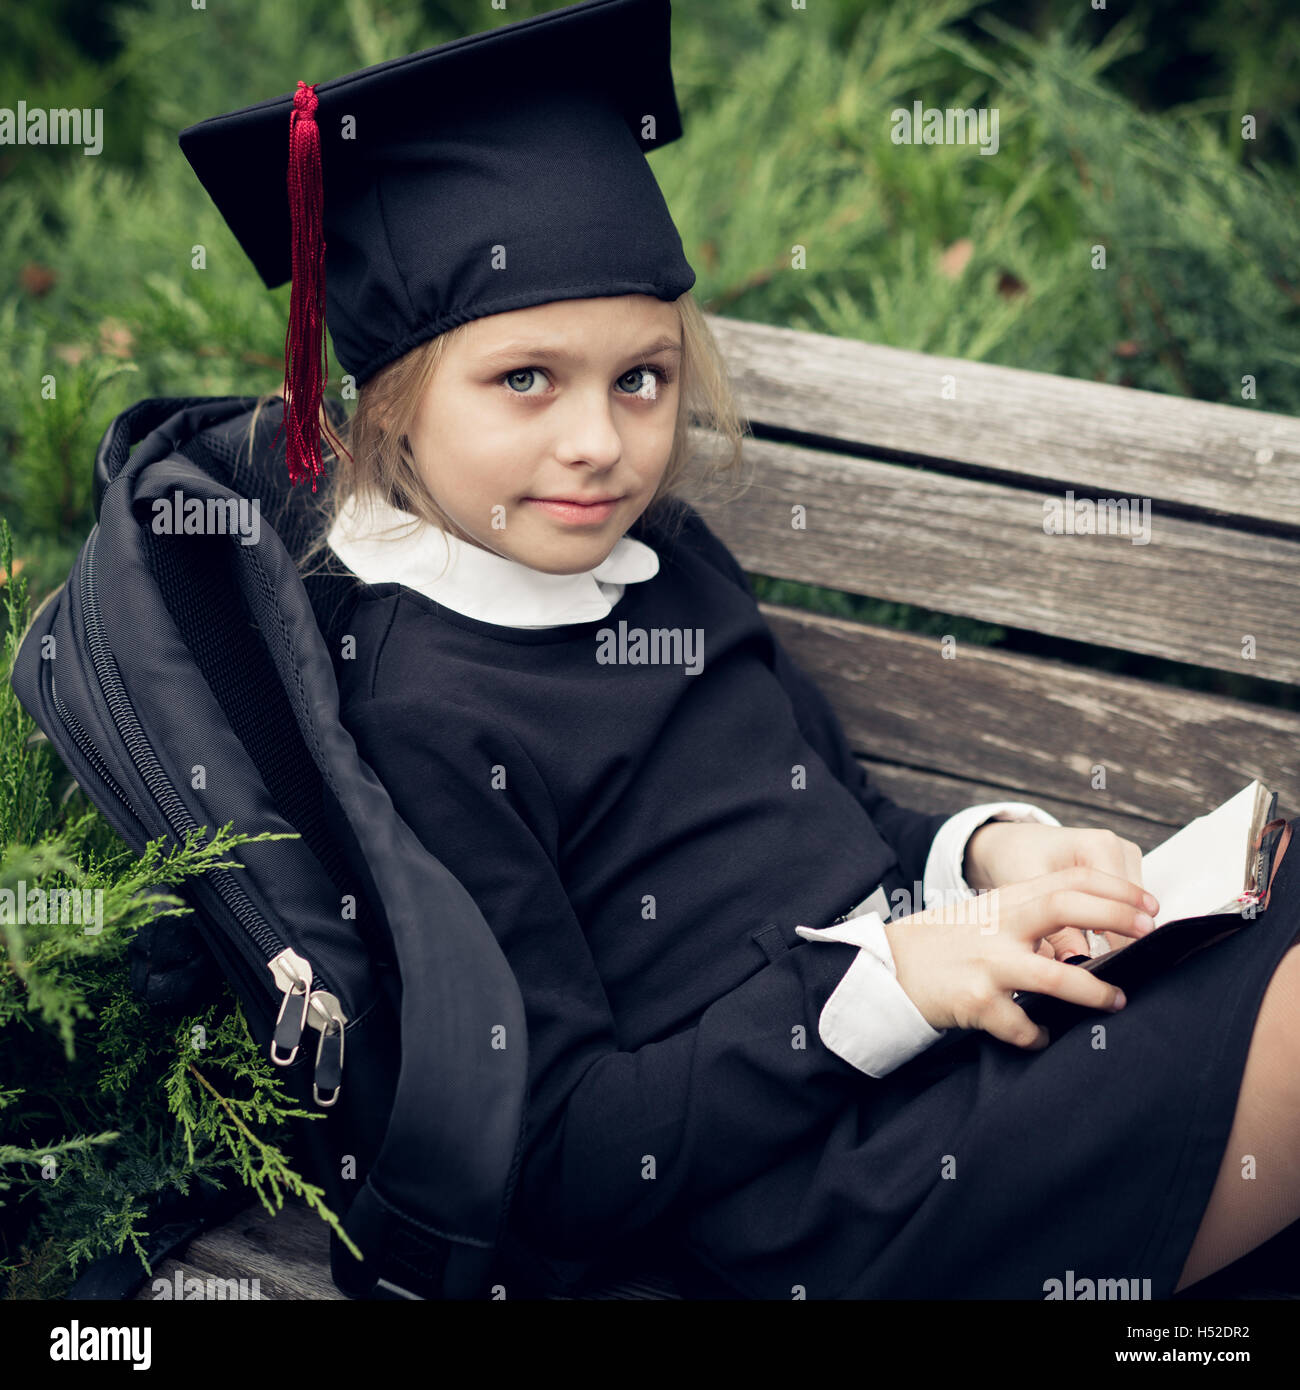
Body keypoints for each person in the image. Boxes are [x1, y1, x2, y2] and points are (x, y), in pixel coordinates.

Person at [180, 0, 1300, 1298]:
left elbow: (844, 817)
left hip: (942, 1045)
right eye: (527, 379)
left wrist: (996, 850)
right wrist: (889, 986)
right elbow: (559, 1153)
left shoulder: (673, 560)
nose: (600, 440)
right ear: (395, 404)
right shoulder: (425, 715)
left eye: (641, 378)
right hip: (803, 1198)